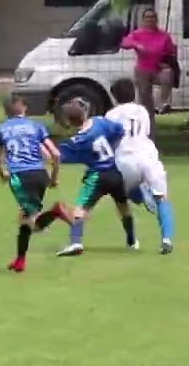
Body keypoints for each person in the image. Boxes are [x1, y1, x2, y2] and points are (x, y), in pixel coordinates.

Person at [0, 96, 67, 273]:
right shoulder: (36, 126)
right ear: (24, 108)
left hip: (20, 177)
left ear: (5, 112)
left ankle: (55, 212)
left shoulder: (3, 129)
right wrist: (54, 178)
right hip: (40, 175)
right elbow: (55, 155)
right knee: (25, 217)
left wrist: (2, 174)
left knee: (31, 221)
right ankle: (20, 261)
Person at [54, 100, 138, 257]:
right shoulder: (100, 122)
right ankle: (132, 240)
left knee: (80, 208)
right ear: (85, 113)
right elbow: (119, 131)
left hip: (97, 176)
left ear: (68, 121)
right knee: (123, 206)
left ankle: (75, 243)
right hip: (114, 171)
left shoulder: (78, 141)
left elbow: (59, 155)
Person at [105, 78, 177, 255]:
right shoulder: (143, 111)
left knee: (121, 199)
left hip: (124, 160)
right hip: (147, 156)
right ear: (133, 93)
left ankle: (132, 240)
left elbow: (110, 140)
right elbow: (144, 132)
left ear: (115, 97)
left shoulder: (111, 115)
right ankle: (166, 239)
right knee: (162, 198)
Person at [120, 8, 177, 124]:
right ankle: (147, 122)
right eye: (147, 17)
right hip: (143, 69)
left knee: (168, 74)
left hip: (158, 69)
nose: (150, 19)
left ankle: (162, 104)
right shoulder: (137, 34)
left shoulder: (163, 35)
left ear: (156, 19)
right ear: (143, 20)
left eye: (152, 17)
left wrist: (166, 61)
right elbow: (124, 43)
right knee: (145, 99)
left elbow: (171, 50)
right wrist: (136, 44)